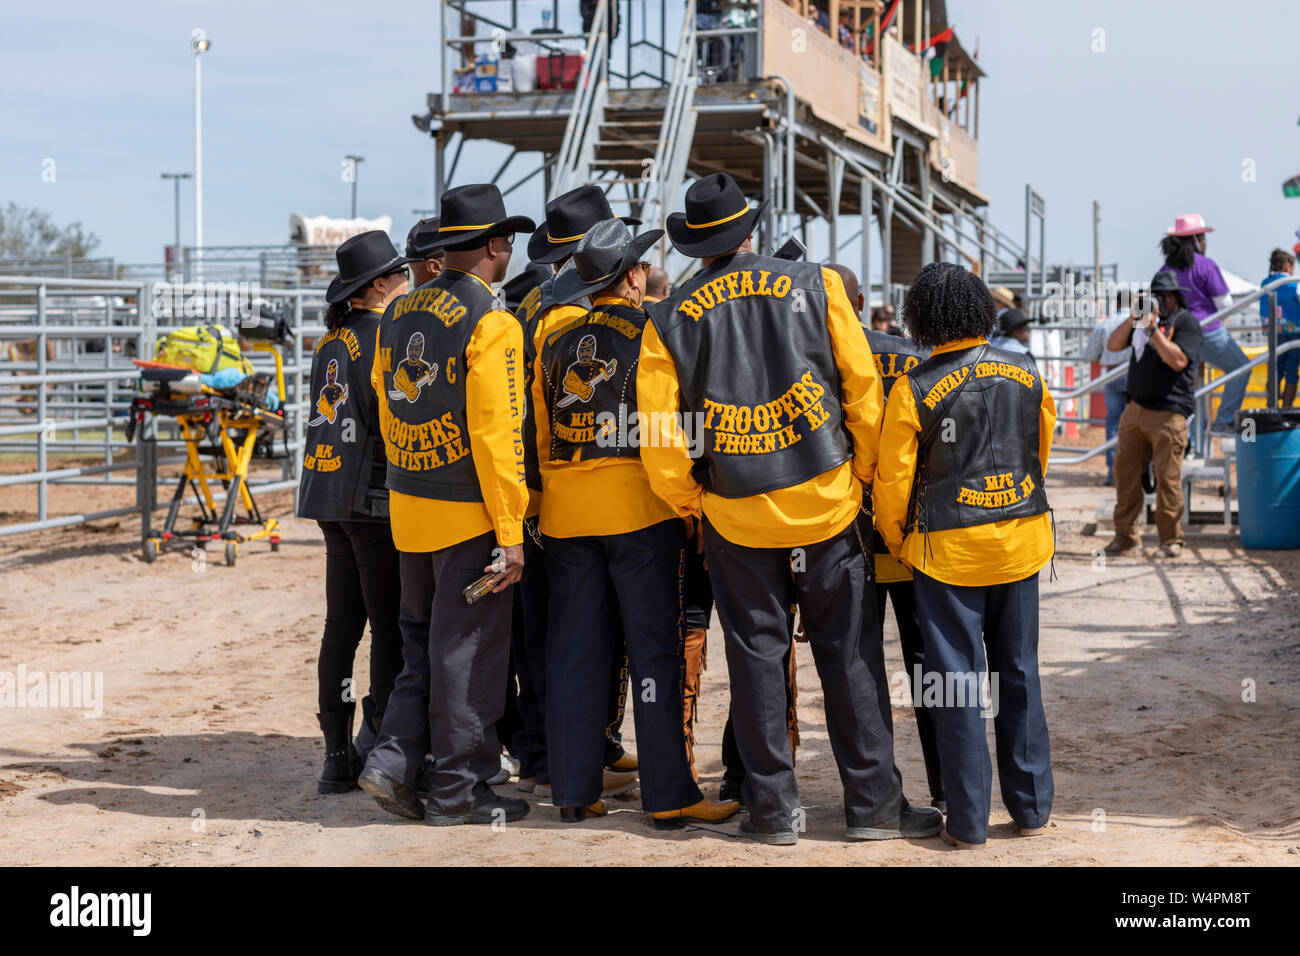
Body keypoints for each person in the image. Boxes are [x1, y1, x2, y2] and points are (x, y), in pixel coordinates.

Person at [639, 173, 942, 845]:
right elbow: (864, 393)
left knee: (755, 659)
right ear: (750, 231)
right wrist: (859, 477)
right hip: (827, 506)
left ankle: (773, 810)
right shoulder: (819, 285)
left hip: (735, 516)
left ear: (698, 246)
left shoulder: (668, 318)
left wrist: (693, 502)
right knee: (850, 656)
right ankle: (873, 806)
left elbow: (659, 437)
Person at [533, 218, 739, 828]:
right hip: (639, 511)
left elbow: (540, 435)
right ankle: (670, 794)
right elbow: (658, 432)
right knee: (654, 653)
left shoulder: (555, 338)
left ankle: (574, 792)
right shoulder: (650, 330)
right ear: (632, 277)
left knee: (574, 652)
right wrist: (688, 505)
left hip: (568, 515)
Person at [357, 183, 535, 826]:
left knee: (422, 644)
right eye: (507, 241)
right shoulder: (493, 321)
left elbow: (384, 398)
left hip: (409, 505)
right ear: (492, 246)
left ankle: (392, 762)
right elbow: (499, 434)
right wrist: (510, 532)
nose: (509, 250)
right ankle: (459, 791)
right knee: (469, 654)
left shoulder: (399, 312)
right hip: (468, 516)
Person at [875, 261, 1056, 849]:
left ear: (921, 319)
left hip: (945, 552)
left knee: (955, 687)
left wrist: (898, 539)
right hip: (1021, 542)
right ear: (983, 311)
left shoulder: (914, 385)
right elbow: (1040, 448)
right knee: (1019, 674)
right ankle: (1030, 810)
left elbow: (893, 480)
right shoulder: (1026, 370)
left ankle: (969, 823)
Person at [513, 185, 644, 797]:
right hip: (580, 486)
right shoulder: (572, 315)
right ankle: (565, 748)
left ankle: (560, 753)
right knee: (580, 634)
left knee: (554, 631)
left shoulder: (536, 302)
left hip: (544, 490)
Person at [297, 230, 409, 795]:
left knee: (340, 628)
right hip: (370, 500)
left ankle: (336, 756)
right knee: (388, 627)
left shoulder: (330, 340)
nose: (407, 282)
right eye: (401, 275)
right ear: (380, 286)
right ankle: (382, 743)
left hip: (326, 493)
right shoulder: (384, 337)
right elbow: (391, 419)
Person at [1103, 271, 1203, 559]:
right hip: (1135, 409)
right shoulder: (1140, 321)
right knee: (1125, 474)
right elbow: (1112, 345)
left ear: (1172, 297)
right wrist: (1135, 317)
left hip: (1169, 412)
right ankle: (1125, 537)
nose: (1157, 301)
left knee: (1167, 478)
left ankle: (1171, 541)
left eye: (1161, 296)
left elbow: (1178, 361)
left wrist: (1153, 330)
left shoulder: (1186, 323)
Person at [1158, 213, 1245, 436]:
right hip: (1207, 331)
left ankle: (1193, 443)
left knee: (1192, 387)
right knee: (1241, 368)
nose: (1206, 243)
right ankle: (1224, 420)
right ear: (1195, 240)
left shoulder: (1165, 270)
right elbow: (1225, 303)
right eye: (1203, 238)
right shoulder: (1205, 265)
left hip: (1177, 336)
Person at [1082, 305, 1133, 486]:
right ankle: (1138, 472)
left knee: (1113, 424)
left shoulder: (1105, 324)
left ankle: (1114, 473)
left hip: (1112, 375)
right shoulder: (1140, 323)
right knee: (1138, 422)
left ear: (1116, 305)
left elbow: (1090, 355)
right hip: (1136, 374)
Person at [1259, 247, 1300, 408]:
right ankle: (1286, 407)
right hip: (1295, 333)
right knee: (1291, 372)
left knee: (1274, 370)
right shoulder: (1292, 283)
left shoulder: (1265, 283)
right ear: (1287, 267)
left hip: (1273, 334)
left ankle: (1272, 405)